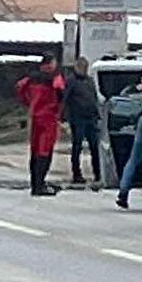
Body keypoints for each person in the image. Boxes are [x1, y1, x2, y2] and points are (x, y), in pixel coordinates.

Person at [16, 54, 66, 196]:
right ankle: (40, 184)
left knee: (35, 150)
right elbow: (60, 90)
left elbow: (20, 87)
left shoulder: (32, 78)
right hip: (49, 117)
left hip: (34, 116)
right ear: (50, 64)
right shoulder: (54, 78)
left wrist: (28, 102)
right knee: (45, 151)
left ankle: (35, 183)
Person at [63, 57, 101, 184]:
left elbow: (94, 98)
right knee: (77, 147)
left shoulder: (90, 81)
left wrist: (97, 115)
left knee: (95, 147)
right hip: (77, 119)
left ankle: (98, 173)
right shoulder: (71, 81)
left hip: (91, 119)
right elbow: (65, 99)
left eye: (85, 67)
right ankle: (76, 174)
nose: (83, 69)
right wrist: (65, 118)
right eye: (80, 66)